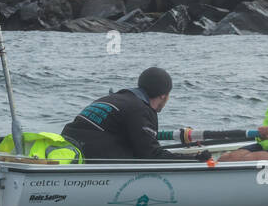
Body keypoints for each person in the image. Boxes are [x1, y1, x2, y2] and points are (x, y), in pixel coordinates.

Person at [61, 68, 208, 161]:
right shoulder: (139, 109)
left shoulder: (112, 98)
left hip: (63, 146)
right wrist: (193, 158)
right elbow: (150, 155)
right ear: (164, 96)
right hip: (87, 158)